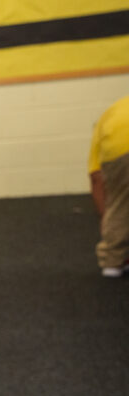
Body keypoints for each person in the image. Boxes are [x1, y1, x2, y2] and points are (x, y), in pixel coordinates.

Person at [88, 95, 129, 278]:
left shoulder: (102, 129)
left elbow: (96, 179)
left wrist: (107, 220)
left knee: (120, 204)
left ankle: (112, 262)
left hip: (120, 149)